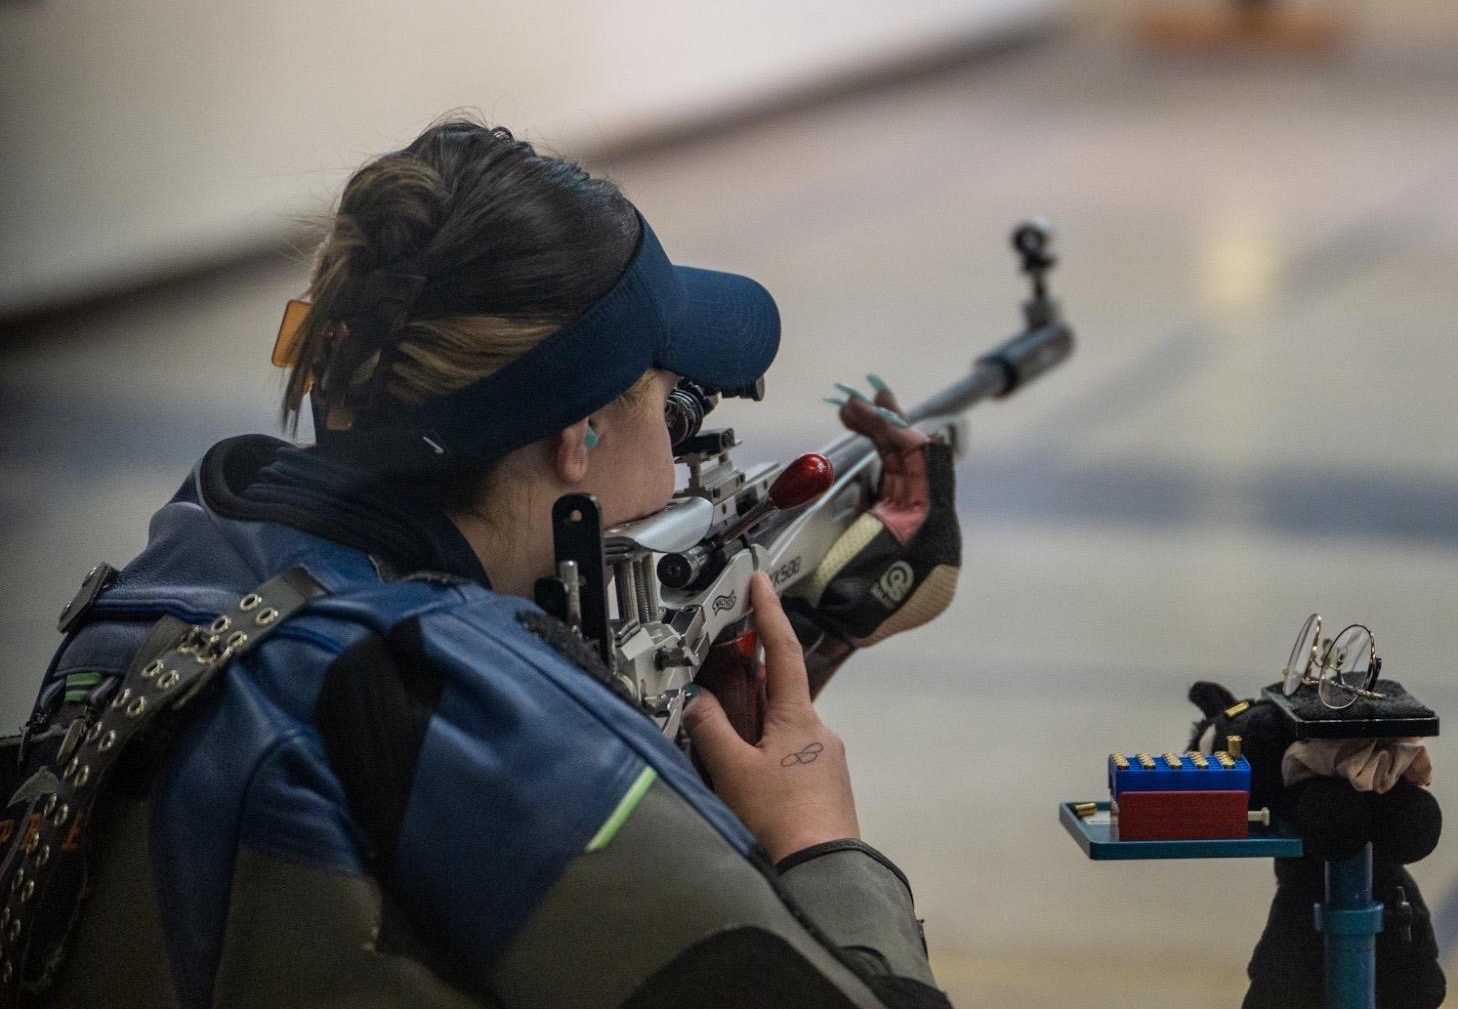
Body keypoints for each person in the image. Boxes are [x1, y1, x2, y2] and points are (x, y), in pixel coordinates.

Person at [1, 120, 960, 1008]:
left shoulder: (188, 575)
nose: (685, 458)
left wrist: (821, 622)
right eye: (672, 405)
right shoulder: (470, 716)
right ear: (575, 437)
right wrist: (818, 842)